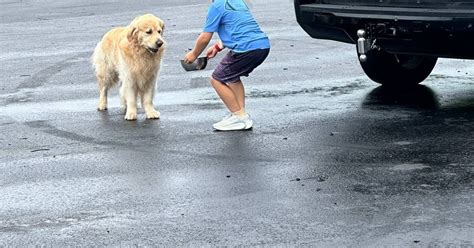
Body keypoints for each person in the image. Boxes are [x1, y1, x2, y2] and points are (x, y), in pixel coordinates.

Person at [184, 0, 270, 131]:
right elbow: (238, 26)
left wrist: (194, 54)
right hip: (262, 46)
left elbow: (205, 37)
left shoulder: (216, 7)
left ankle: (238, 116)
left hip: (245, 49)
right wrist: (218, 46)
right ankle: (242, 114)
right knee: (233, 78)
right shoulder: (238, 2)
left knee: (217, 79)